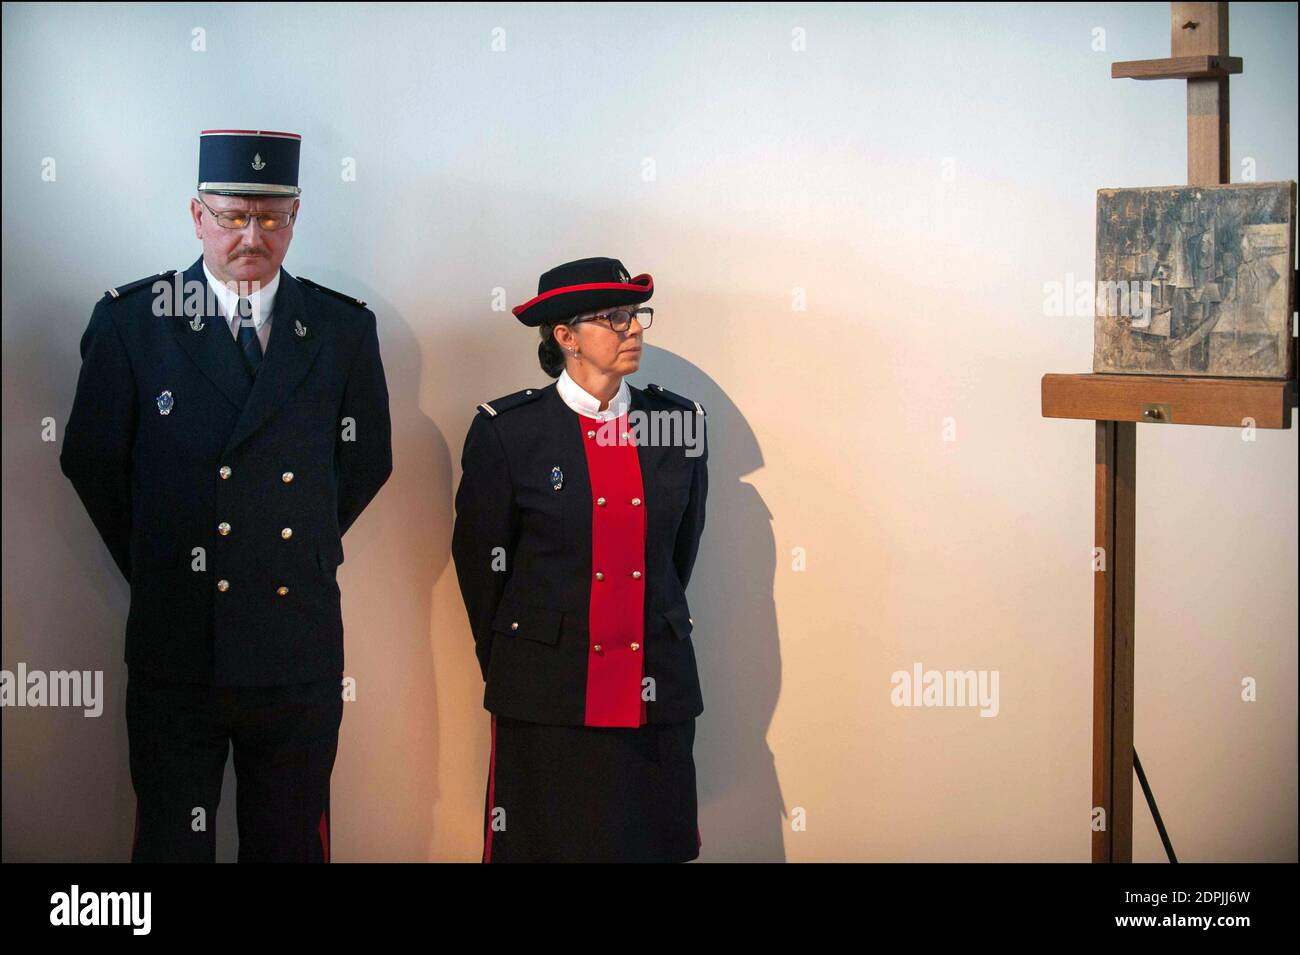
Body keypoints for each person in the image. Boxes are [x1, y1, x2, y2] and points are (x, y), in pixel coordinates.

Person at [60, 129, 393, 862]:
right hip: (179, 645)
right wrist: (164, 560)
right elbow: (92, 462)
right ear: (197, 214)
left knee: (288, 844)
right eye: (234, 214)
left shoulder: (341, 329)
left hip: (294, 646)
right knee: (172, 848)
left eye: (272, 217)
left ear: (296, 217)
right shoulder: (133, 322)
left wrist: (294, 540)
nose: (252, 235)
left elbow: (366, 462)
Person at [451, 256, 709, 862]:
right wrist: (526, 652)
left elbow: (679, 552)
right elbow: (483, 566)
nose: (633, 329)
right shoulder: (507, 431)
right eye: (613, 317)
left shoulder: (679, 424)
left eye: (636, 314)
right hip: (547, 691)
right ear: (564, 336)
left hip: (654, 686)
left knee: (647, 846)